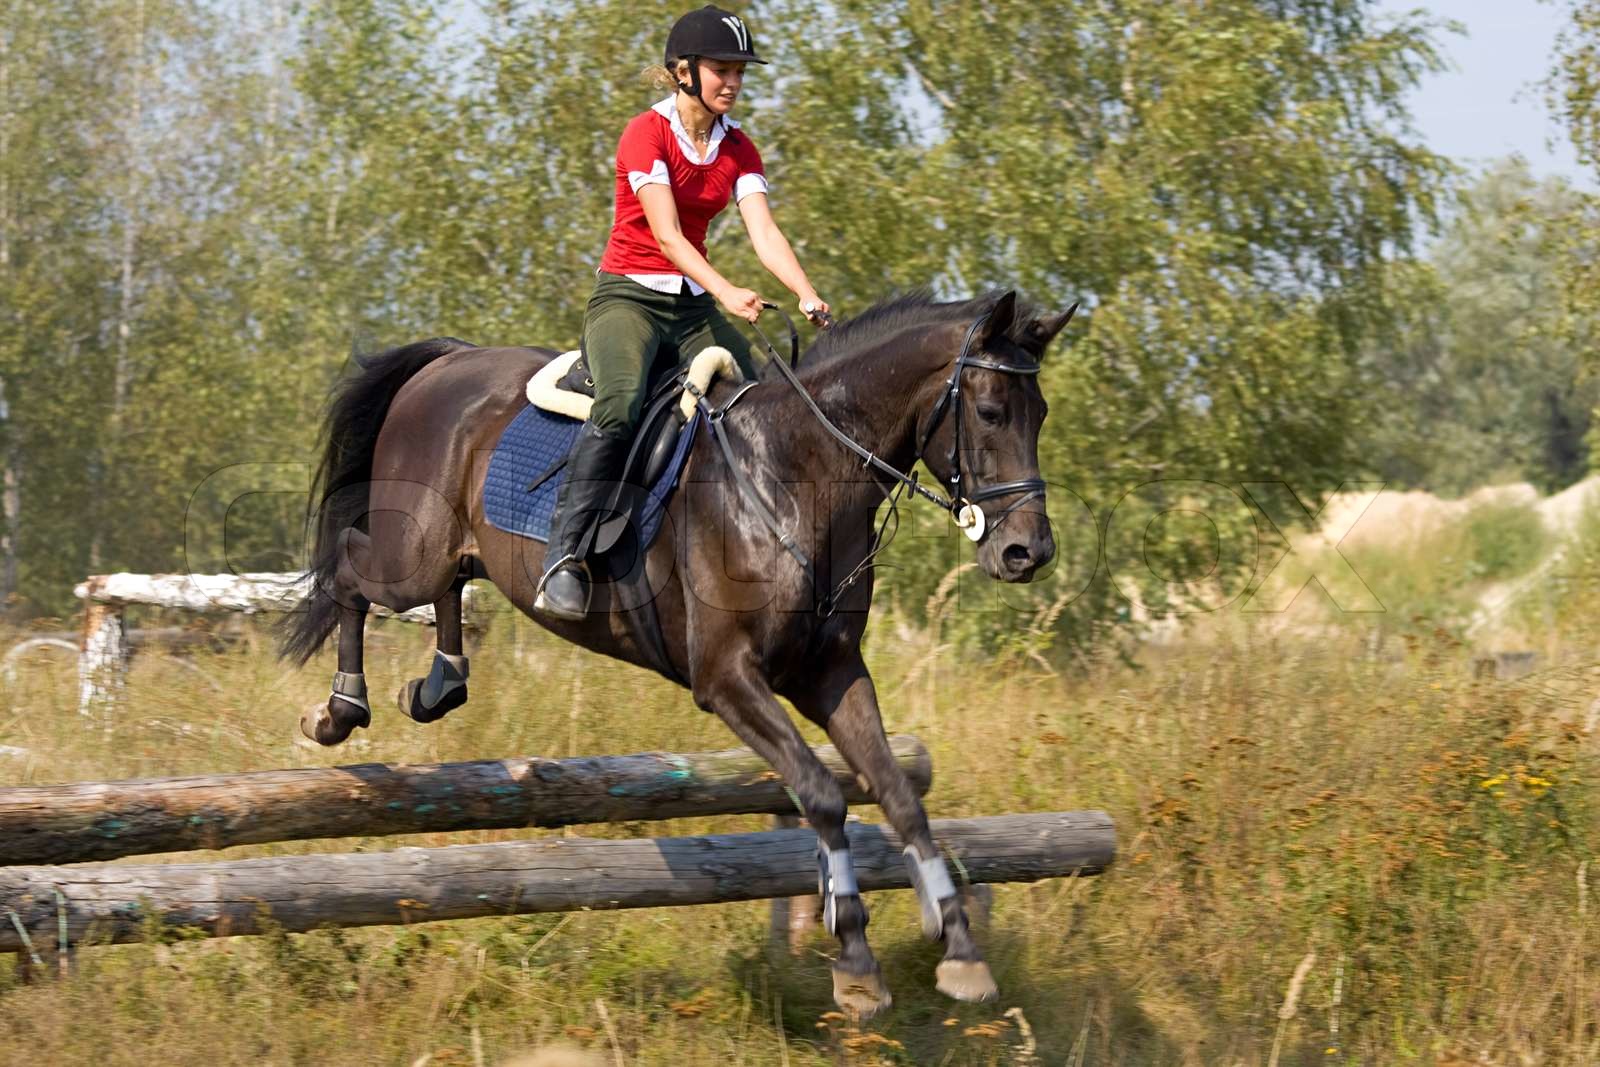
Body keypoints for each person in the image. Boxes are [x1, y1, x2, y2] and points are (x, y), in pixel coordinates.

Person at [535, 4, 831, 621]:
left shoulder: (739, 147)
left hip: (691, 303)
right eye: (721, 69)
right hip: (629, 298)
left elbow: (765, 232)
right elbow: (668, 237)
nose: (733, 81)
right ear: (683, 73)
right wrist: (726, 291)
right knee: (619, 402)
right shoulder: (646, 134)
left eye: (739, 72)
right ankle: (563, 559)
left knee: (757, 403)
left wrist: (805, 291)